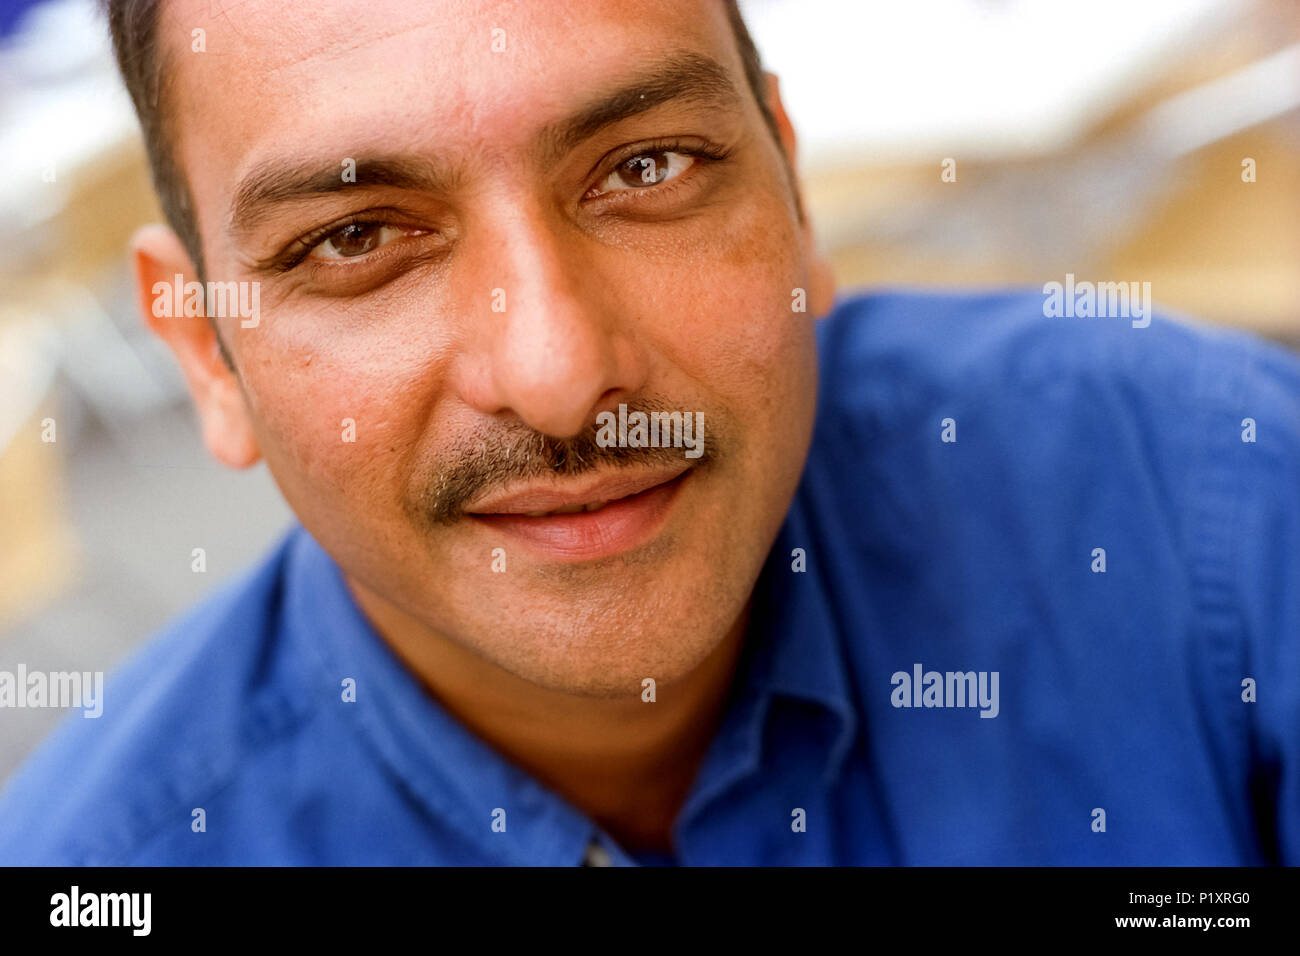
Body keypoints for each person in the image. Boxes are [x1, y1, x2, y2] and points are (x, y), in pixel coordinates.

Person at [1, 0, 1297, 865]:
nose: (560, 376)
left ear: (795, 199)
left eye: (644, 169)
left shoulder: (1203, 501)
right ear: (204, 352)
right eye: (355, 238)